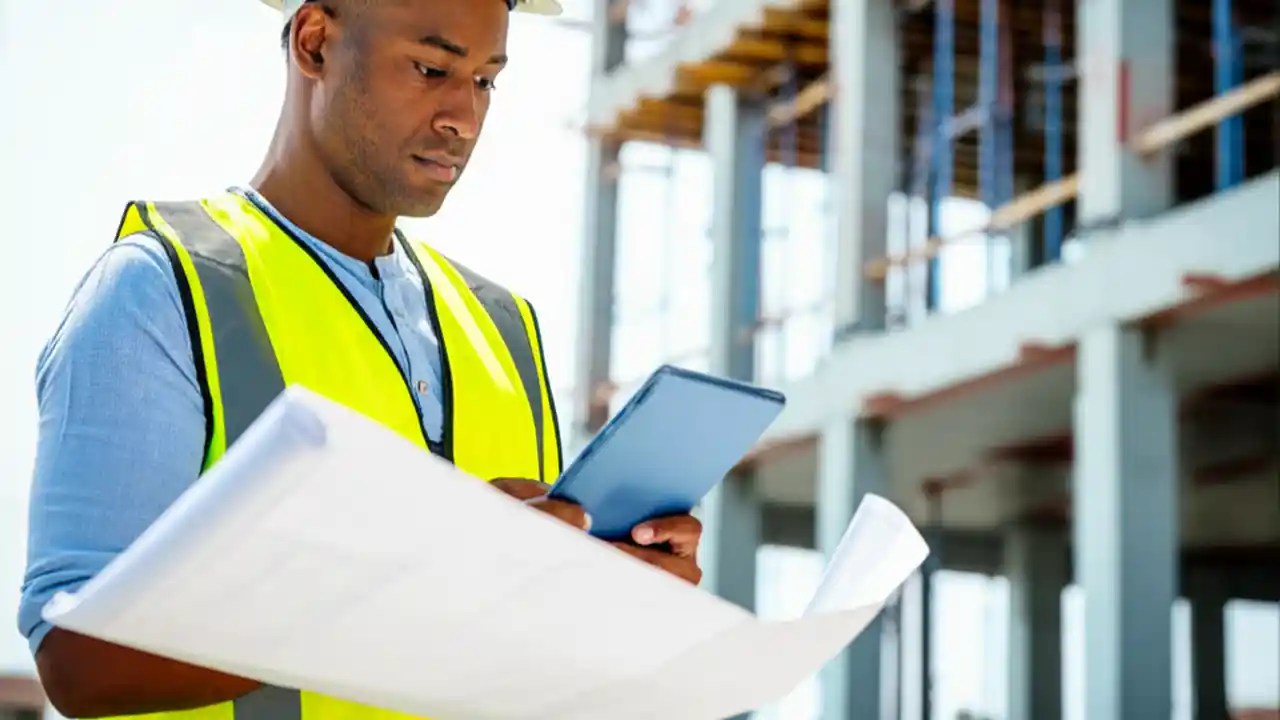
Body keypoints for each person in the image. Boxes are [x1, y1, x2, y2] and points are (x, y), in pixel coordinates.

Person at [19, 1, 703, 717]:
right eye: (432, 69)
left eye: (485, 82)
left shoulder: (504, 330)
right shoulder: (162, 289)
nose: (462, 119)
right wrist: (427, 575)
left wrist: (614, 593)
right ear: (315, 43)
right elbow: (79, 660)